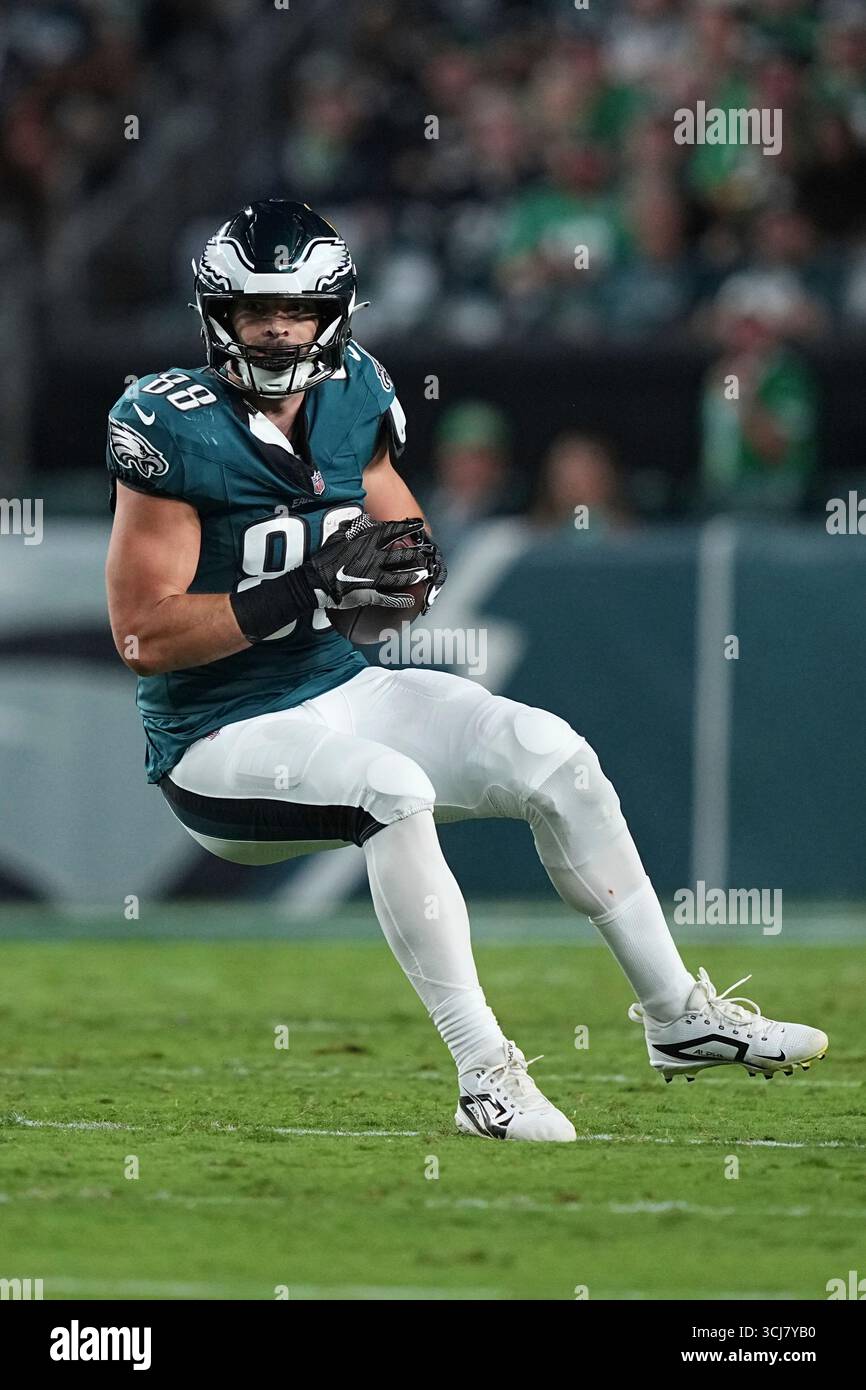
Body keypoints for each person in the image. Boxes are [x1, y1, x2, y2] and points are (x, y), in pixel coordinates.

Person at [105, 200, 827, 1143]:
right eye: (256, 311)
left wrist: (407, 572)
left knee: (550, 752)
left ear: (334, 313)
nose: (277, 330)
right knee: (392, 790)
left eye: (296, 310)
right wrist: (304, 588)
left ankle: (678, 1018)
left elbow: (400, 529)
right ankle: (485, 1075)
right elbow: (144, 637)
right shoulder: (169, 423)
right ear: (217, 315)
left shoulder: (355, 391)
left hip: (338, 684)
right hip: (218, 736)